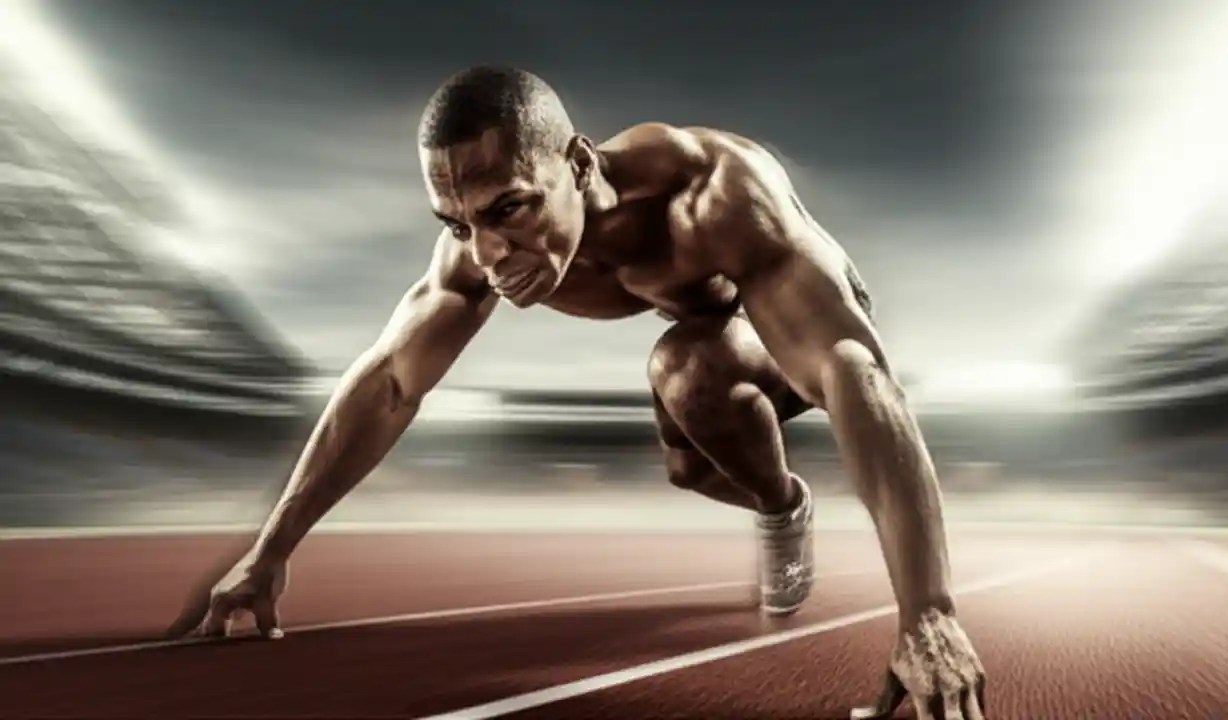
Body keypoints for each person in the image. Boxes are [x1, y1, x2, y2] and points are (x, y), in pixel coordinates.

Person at [171, 65, 987, 720]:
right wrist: (270, 551)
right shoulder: (475, 251)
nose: (488, 251)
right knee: (689, 469)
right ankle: (783, 503)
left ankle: (783, 505)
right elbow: (388, 380)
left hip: (797, 330)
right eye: (457, 222)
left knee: (682, 367)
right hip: (710, 341)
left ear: (581, 164)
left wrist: (927, 612)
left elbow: (853, 367)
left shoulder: (714, 194)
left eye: (510, 209)